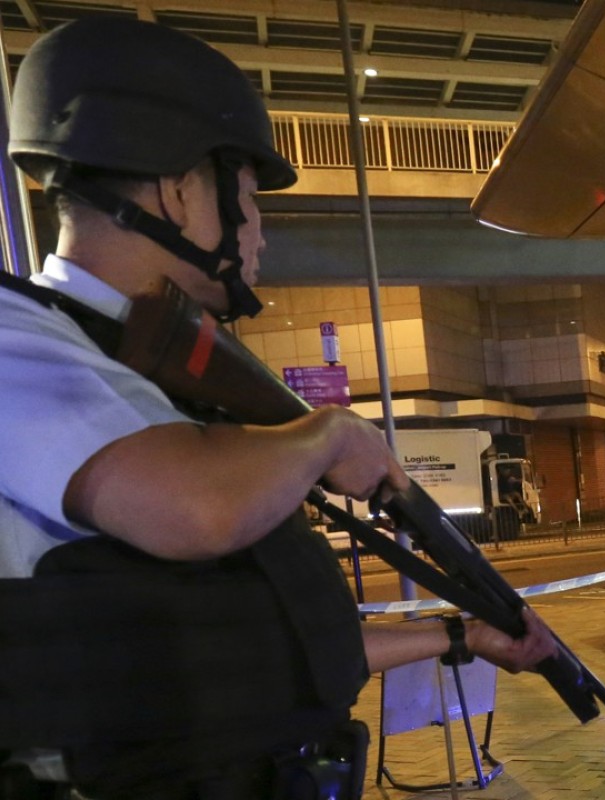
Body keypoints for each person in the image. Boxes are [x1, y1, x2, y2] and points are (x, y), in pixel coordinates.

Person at [0, 17, 554, 797]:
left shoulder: (171, 381)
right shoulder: (16, 336)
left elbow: (273, 642)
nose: (260, 233)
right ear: (181, 188)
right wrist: (328, 434)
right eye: (252, 199)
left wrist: (464, 634)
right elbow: (194, 508)